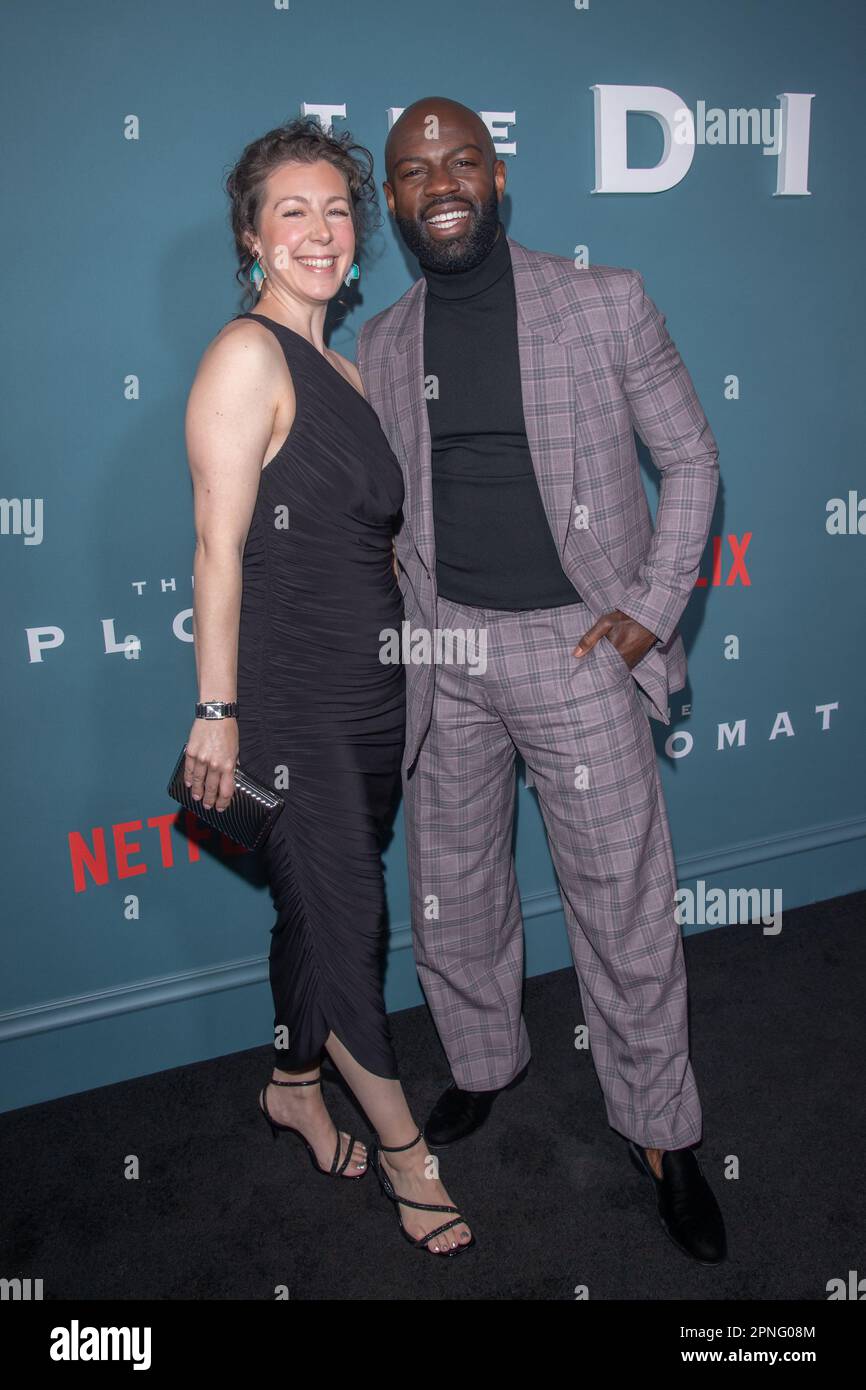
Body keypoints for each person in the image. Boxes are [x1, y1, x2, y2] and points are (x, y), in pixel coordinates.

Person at [356, 97, 726, 1263]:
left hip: (576, 644)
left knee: (619, 908)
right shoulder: (381, 343)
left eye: (460, 159)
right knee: (451, 889)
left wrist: (648, 612)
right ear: (397, 200)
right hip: (444, 650)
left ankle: (661, 1134)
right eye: (416, 171)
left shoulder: (600, 300)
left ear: (496, 175)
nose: (442, 181)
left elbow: (692, 459)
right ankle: (478, 1062)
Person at [182, 116, 472, 1256]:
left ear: (359, 238)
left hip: (370, 692)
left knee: (315, 906)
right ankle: (407, 1153)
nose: (318, 230)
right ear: (252, 238)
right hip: (286, 695)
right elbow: (215, 549)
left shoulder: (343, 365)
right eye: (289, 211)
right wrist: (217, 709)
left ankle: (294, 1084)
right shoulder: (245, 355)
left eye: (336, 210)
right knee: (353, 923)